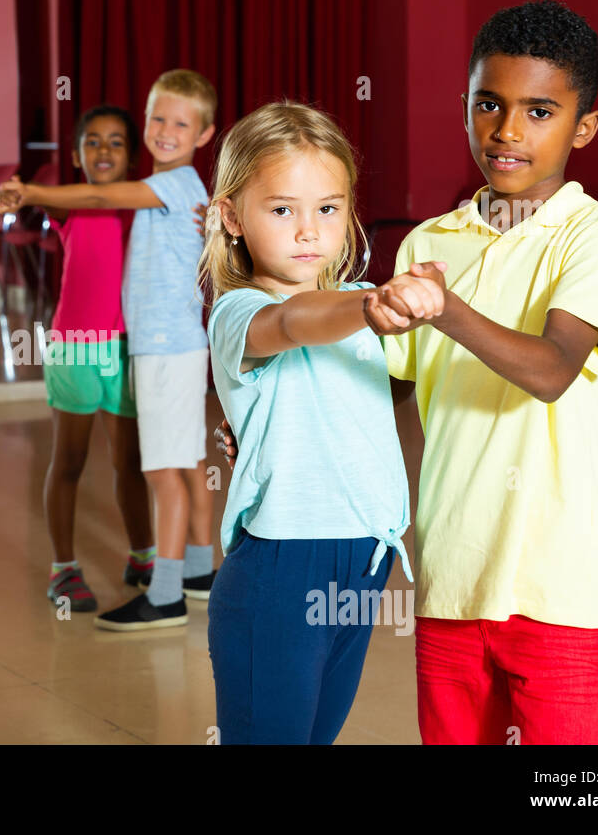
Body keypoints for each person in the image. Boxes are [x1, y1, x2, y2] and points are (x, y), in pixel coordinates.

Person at [225, 1, 598, 745]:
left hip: (559, 586)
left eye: (539, 111)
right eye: (489, 103)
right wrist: (270, 419)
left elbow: (549, 371)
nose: (508, 130)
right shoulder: (430, 241)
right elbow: (382, 383)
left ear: (584, 127)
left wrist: (443, 307)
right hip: (449, 580)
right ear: (466, 106)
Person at [200, 101, 444, 743]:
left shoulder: (355, 308)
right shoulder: (240, 311)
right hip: (282, 566)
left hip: (366, 558)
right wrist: (373, 305)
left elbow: (352, 400)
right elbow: (291, 324)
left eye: (328, 209)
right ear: (232, 216)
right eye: (282, 210)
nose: (308, 231)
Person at [0, 69, 218, 631]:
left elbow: (99, 193)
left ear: (204, 133)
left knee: (162, 470)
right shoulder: (178, 192)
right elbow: (95, 197)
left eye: (180, 123)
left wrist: (31, 190)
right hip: (141, 346)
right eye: (158, 119)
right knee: (185, 462)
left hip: (157, 347)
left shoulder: (164, 189)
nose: (164, 130)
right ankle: (197, 571)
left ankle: (165, 592)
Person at [27, 105, 152, 613]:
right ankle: (64, 568)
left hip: (125, 347)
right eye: (93, 141)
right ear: (78, 154)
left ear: (131, 156)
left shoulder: (142, 203)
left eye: (116, 142)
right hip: (75, 347)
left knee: (130, 462)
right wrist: (25, 191)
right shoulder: (69, 204)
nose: (104, 150)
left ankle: (143, 555)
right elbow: (42, 198)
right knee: (71, 459)